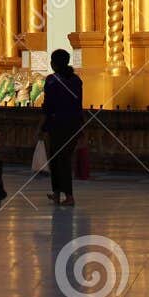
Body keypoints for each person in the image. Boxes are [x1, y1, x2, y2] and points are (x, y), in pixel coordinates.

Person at [40, 48, 84, 206]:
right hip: (73, 124)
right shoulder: (76, 80)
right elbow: (78, 104)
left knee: (57, 160)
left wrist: (42, 126)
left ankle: (67, 195)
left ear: (54, 63)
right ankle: (58, 193)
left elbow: (48, 106)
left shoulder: (52, 80)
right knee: (63, 159)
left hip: (57, 124)